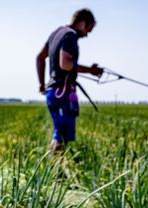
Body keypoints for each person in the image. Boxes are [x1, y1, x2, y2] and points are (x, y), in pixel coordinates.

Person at [36, 9, 103, 152]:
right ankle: (56, 172)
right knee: (60, 137)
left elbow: (40, 58)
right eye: (88, 30)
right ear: (82, 23)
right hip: (63, 93)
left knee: (59, 134)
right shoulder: (70, 35)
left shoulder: (56, 33)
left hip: (53, 91)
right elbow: (65, 64)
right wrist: (91, 71)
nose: (87, 35)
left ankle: (56, 170)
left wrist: (42, 85)